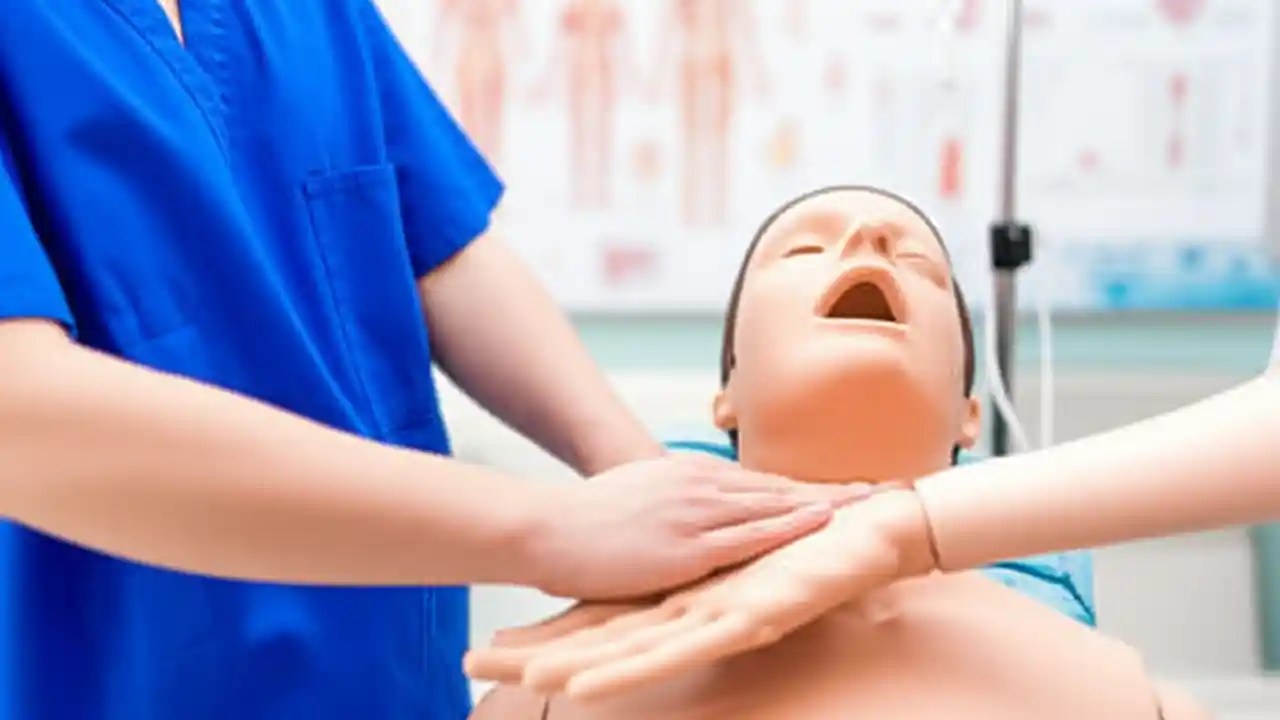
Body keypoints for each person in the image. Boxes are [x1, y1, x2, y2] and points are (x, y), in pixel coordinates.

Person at [0, 3, 857, 718]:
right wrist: (553, 532)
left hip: (393, 684)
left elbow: (440, 247)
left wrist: (646, 486)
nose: (864, 249)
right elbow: (22, 414)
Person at [464, 186, 1210, 719]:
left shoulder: (1131, 698)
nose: (870, 241)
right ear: (727, 397)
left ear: (970, 417)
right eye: (806, 248)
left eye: (920, 264)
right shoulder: (554, 689)